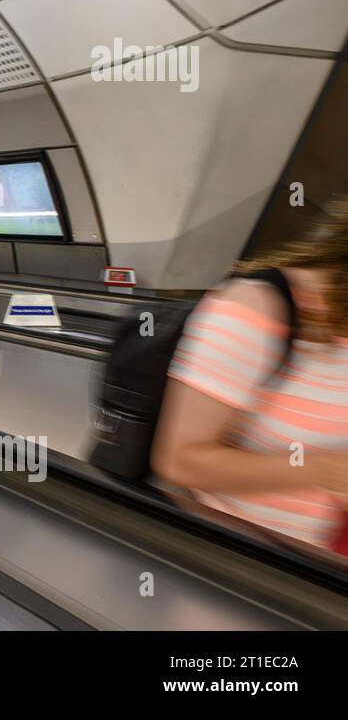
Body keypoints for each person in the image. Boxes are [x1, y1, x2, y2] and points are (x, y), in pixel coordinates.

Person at [153, 200, 348, 553]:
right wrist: (325, 470)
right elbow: (179, 460)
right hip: (238, 560)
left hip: (319, 558)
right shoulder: (254, 309)